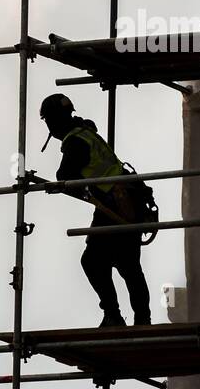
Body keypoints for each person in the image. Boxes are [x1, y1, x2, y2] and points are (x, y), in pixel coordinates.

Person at [39, 94, 151, 328]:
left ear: (55, 120)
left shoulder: (75, 141)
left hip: (116, 204)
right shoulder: (86, 133)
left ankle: (114, 315)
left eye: (48, 121)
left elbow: (66, 176)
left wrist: (61, 185)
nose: (49, 127)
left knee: (92, 261)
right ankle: (142, 319)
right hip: (128, 200)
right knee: (128, 265)